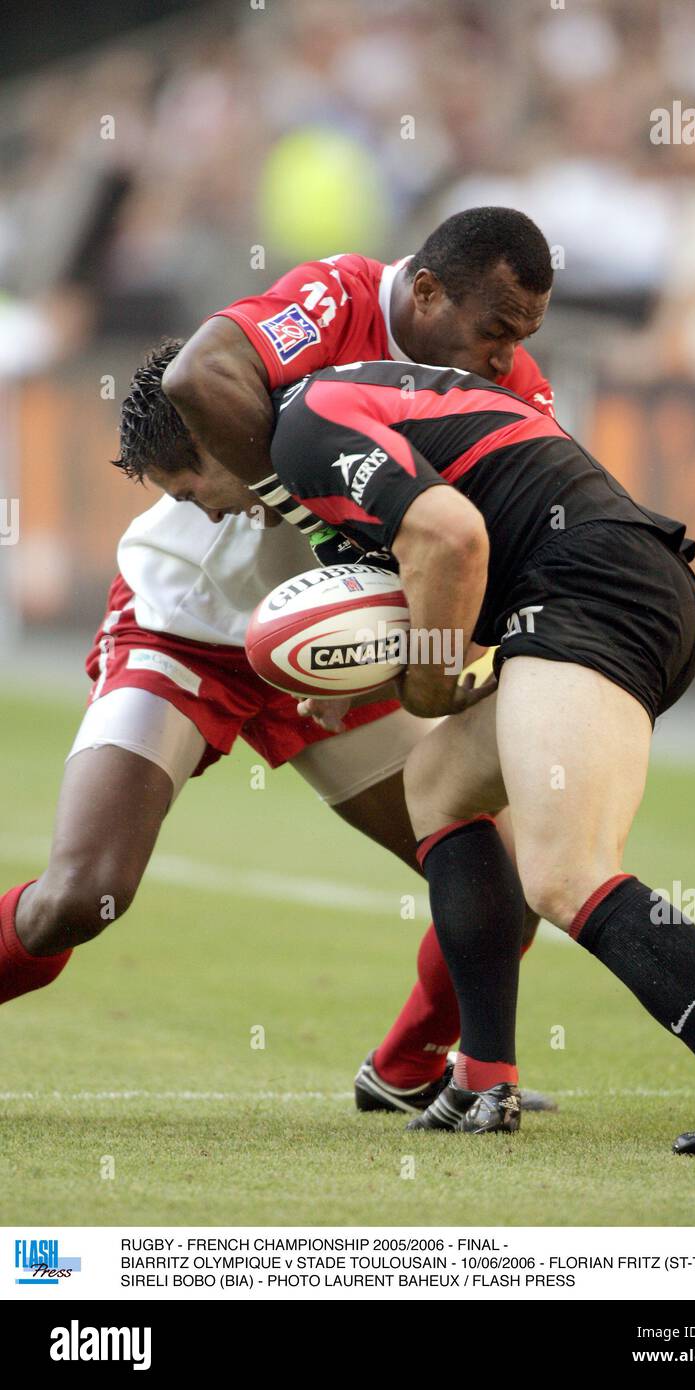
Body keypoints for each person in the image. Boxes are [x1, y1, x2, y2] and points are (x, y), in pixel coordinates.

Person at [0, 208, 556, 1115]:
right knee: (84, 893)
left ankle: (407, 1066)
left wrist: (408, 655)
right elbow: (197, 373)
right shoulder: (334, 297)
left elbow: (500, 537)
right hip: (179, 627)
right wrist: (312, 515)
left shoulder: (513, 386)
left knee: (504, 885)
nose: (504, 358)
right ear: (424, 291)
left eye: (520, 336)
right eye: (494, 330)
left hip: (333, 651)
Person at [200, 353, 695, 1155]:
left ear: (211, 436)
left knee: (565, 871)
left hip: (595, 590)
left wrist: (421, 690)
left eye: (189, 489)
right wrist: (380, 672)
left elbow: (452, 536)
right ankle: (482, 1080)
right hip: (590, 585)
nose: (205, 511)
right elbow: (465, 541)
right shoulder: (337, 419)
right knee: (438, 781)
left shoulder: (305, 427)